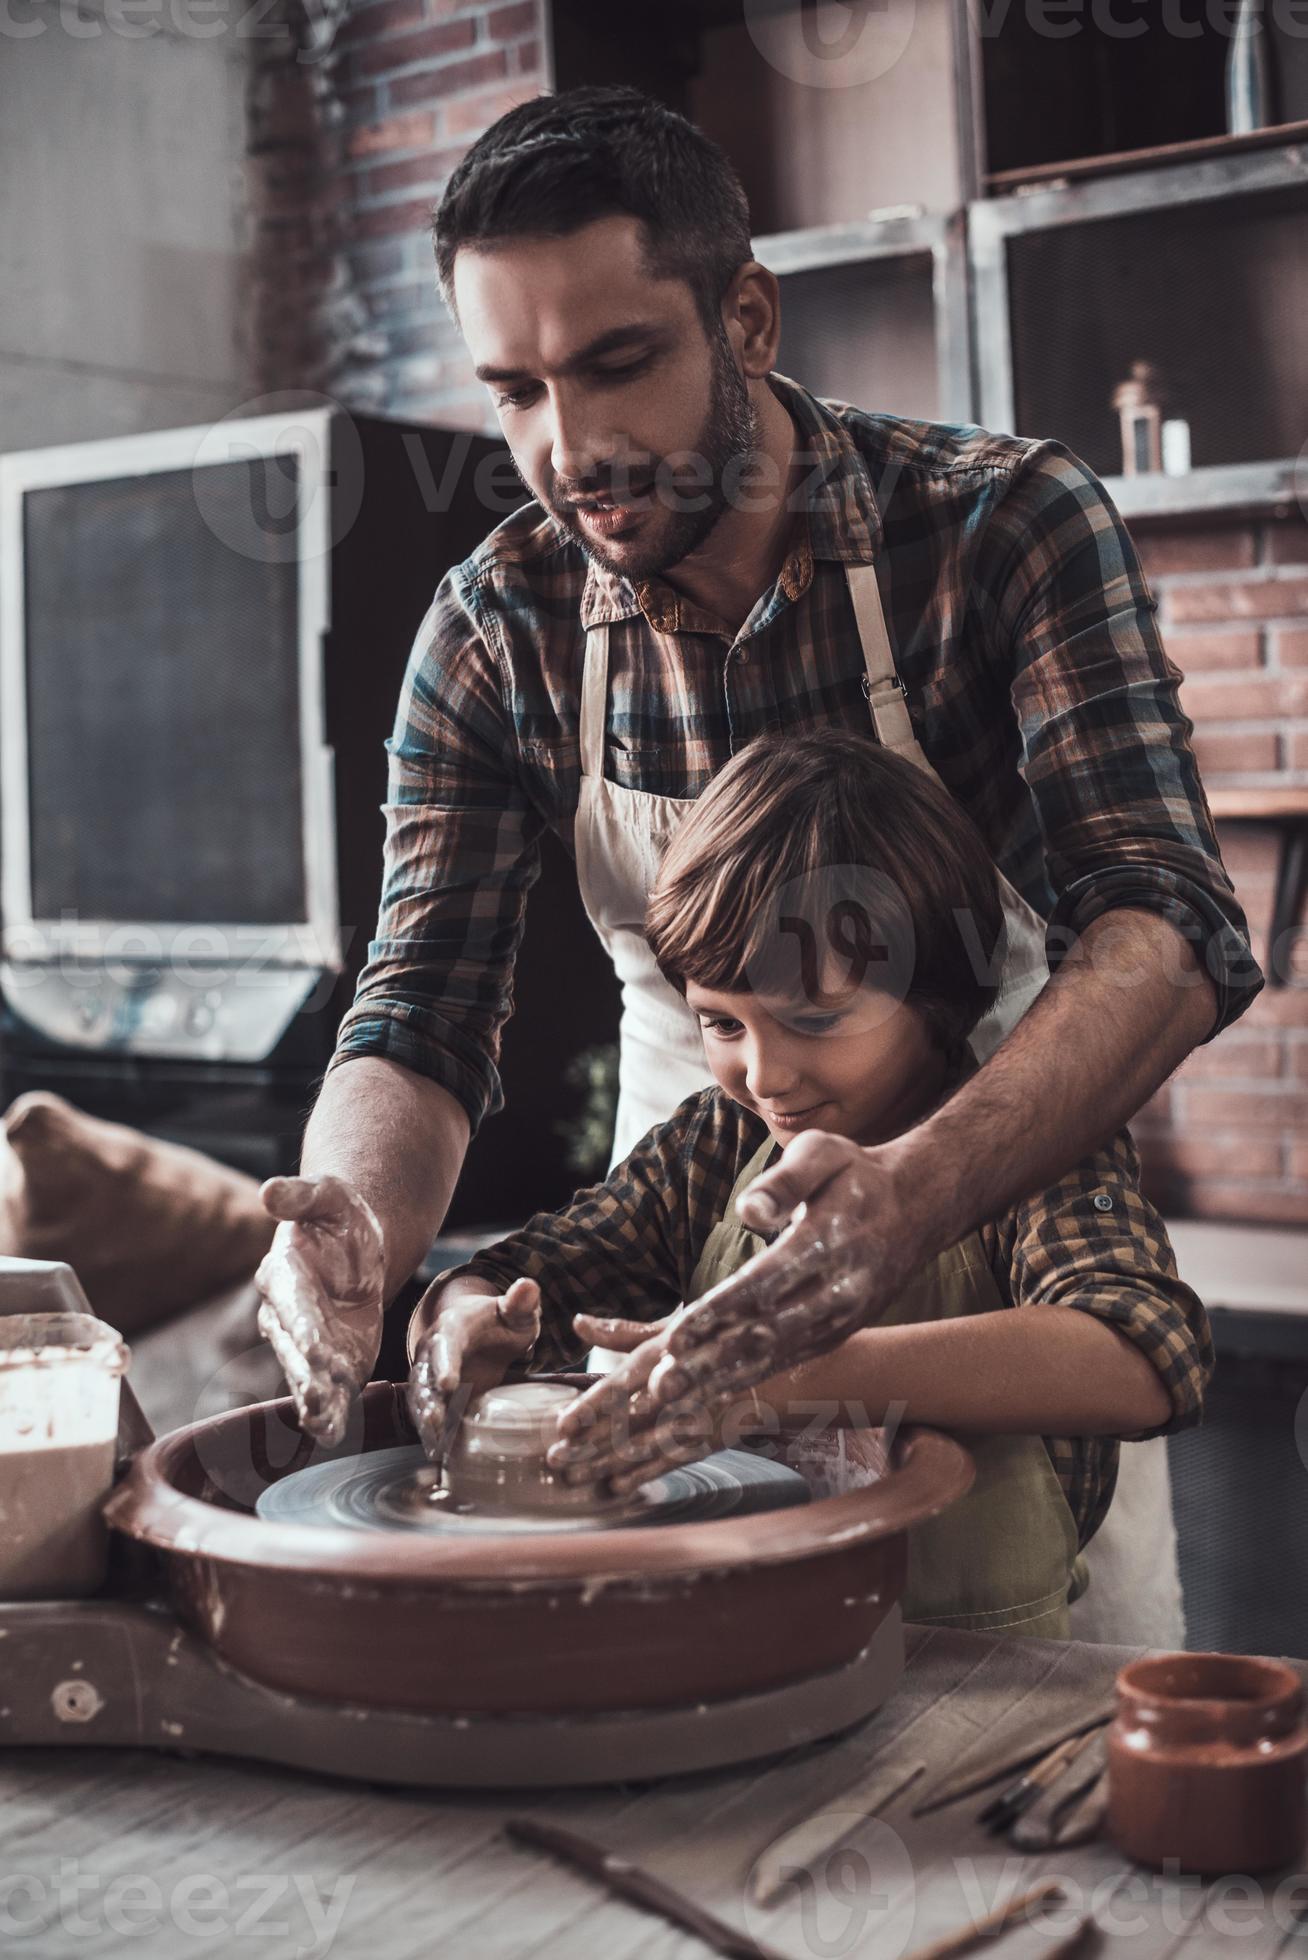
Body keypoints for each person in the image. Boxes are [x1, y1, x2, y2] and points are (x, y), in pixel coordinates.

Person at [254, 85, 1257, 1644]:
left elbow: (1171, 919)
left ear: (749, 318)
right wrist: (365, 1245)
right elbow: (422, 1006)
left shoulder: (1002, 529)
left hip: (987, 1177)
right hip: (692, 1251)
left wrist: (903, 1208)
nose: (568, 448)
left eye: (617, 364)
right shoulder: (493, 627)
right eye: (512, 389)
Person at [403, 732, 1212, 1639]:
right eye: (720, 1023)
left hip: (967, 1667)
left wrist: (794, 1376)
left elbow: (1147, 1359)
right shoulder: (714, 1146)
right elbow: (541, 1270)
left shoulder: (1032, 1150)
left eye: (815, 1019)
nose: (764, 1075)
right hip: (739, 1643)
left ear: (938, 993)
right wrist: (468, 1313)